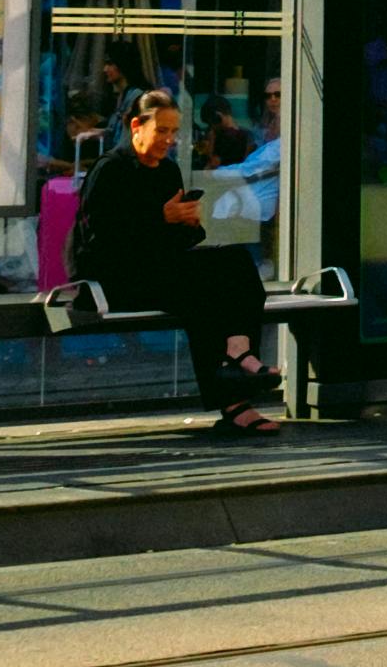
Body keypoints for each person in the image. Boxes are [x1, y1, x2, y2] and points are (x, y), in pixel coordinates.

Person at [70, 79, 286, 433]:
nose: (170, 140)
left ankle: (240, 351)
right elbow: (100, 241)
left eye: (174, 131)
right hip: (116, 277)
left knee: (236, 262)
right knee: (203, 295)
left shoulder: (168, 171)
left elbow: (179, 240)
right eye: (162, 130)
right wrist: (161, 217)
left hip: (161, 267)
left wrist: (188, 222)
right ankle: (235, 403)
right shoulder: (110, 169)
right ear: (137, 126)